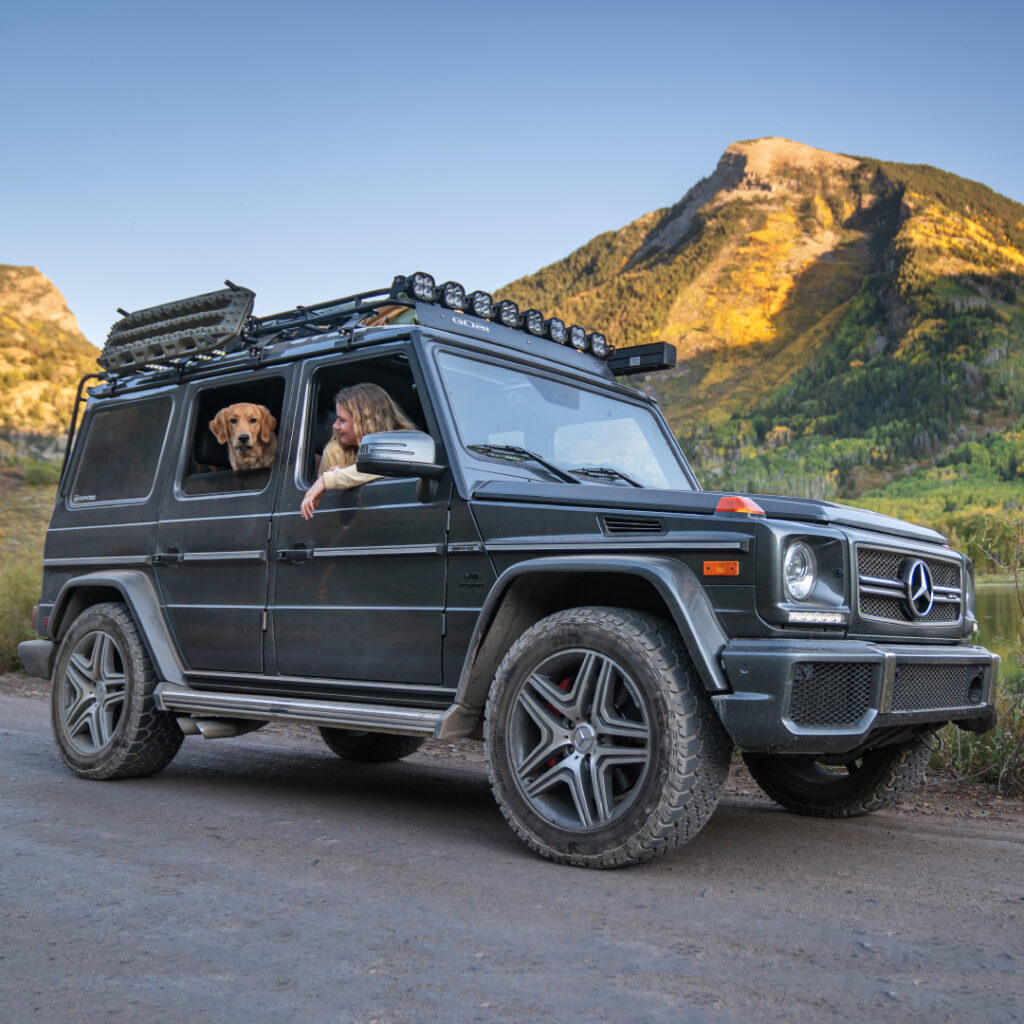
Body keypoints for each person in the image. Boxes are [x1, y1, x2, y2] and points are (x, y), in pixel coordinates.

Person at [300, 382, 416, 520]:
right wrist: (336, 483)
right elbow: (324, 509)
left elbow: (385, 462)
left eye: (342, 420)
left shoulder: (406, 442)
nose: (335, 425)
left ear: (365, 423)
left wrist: (328, 479)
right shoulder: (335, 450)